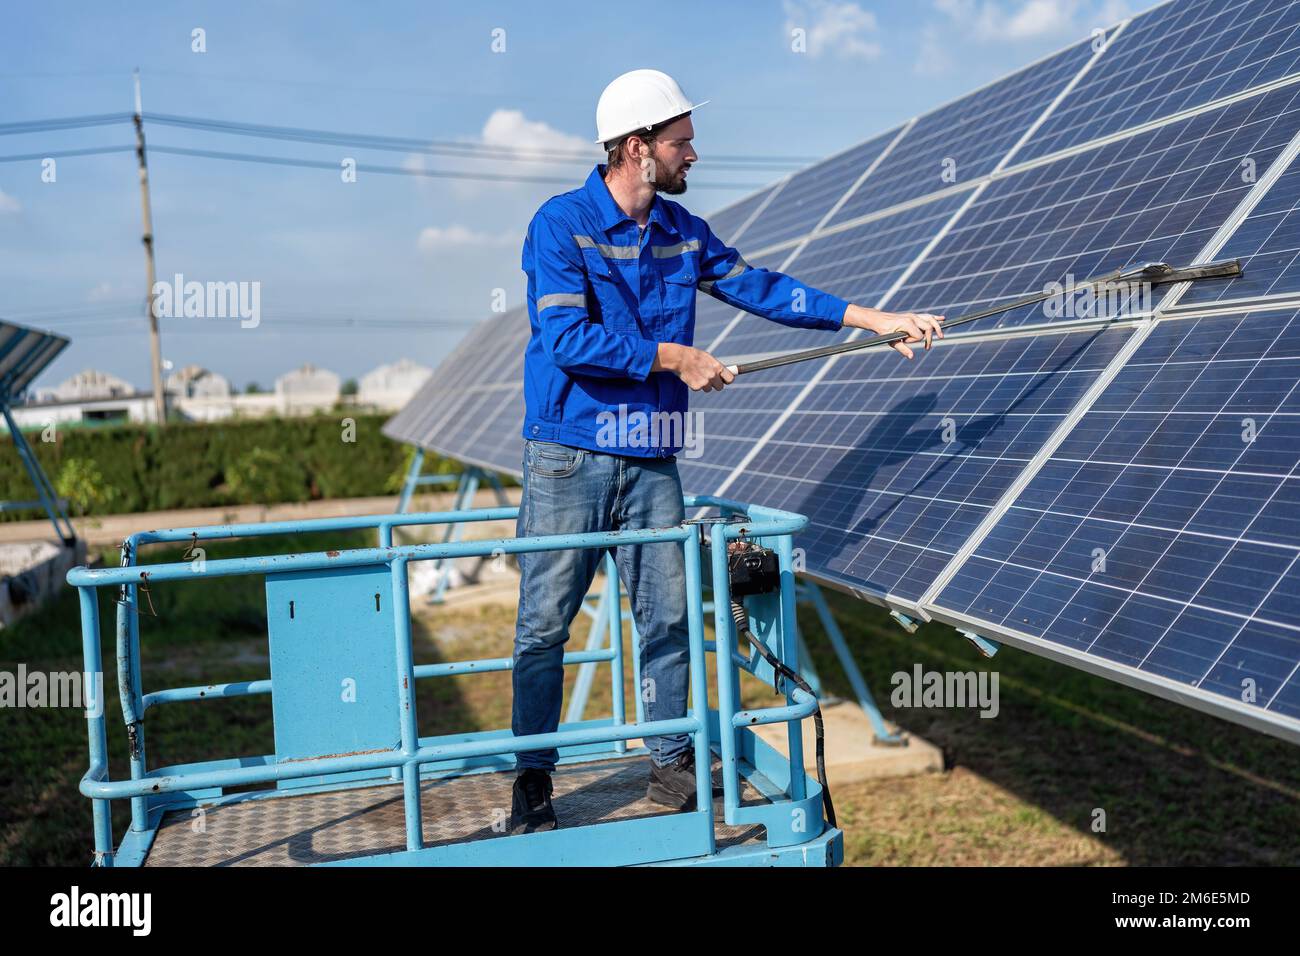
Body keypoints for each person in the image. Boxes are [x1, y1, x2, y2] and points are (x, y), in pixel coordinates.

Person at [510, 69, 943, 833]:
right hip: (569, 456)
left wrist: (869, 318)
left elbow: (762, 287)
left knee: (669, 619)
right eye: (683, 142)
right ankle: (532, 782)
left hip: (651, 456)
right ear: (638, 149)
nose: (694, 156)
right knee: (545, 626)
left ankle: (672, 764)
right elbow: (566, 339)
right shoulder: (560, 225)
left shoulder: (683, 233)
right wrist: (675, 359)